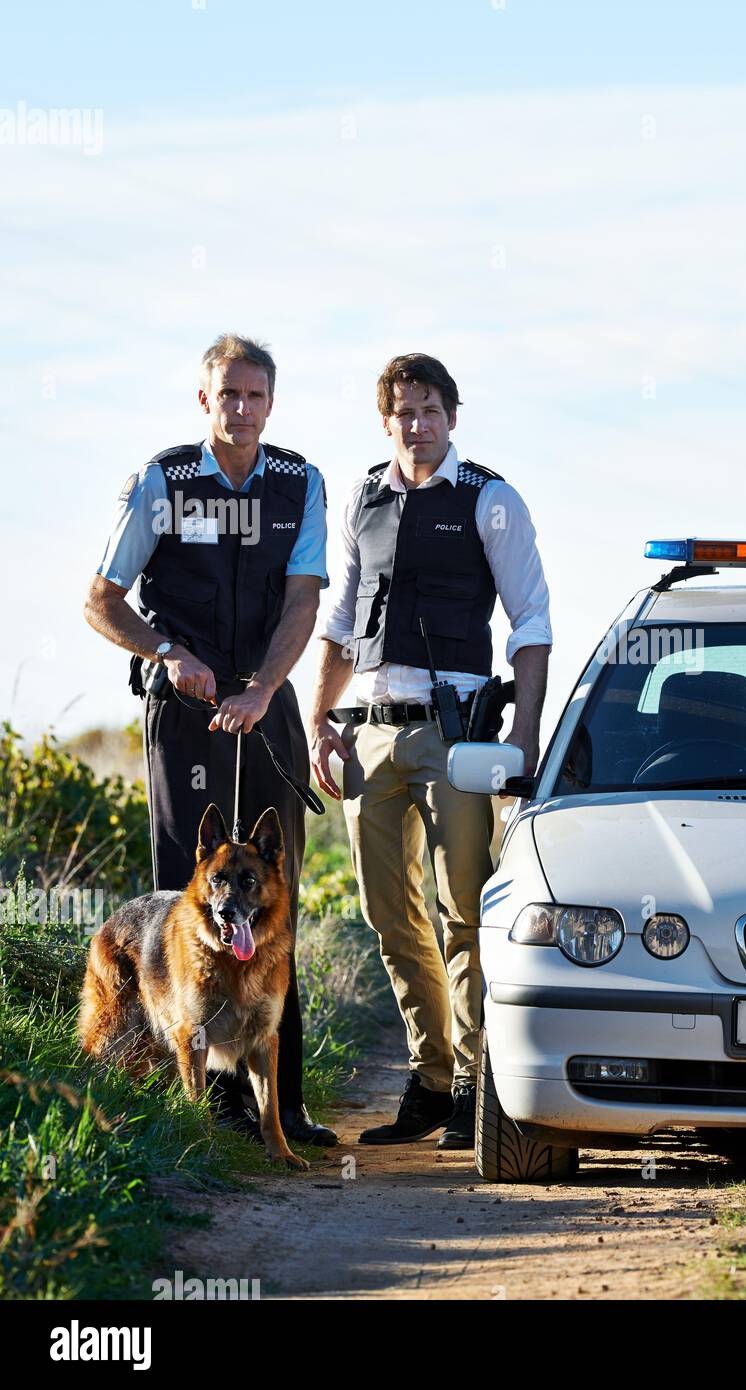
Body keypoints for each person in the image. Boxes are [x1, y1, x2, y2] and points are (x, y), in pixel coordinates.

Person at [84, 332, 336, 1148]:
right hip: (182, 710)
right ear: (204, 400)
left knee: (272, 901)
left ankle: (281, 1110)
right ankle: (204, 1114)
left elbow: (303, 599)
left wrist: (265, 684)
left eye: (254, 396)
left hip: (268, 707)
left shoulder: (301, 482)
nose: (241, 409)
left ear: (271, 401)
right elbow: (101, 599)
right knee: (189, 898)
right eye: (227, 394)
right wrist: (168, 654)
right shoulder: (161, 481)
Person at [307, 352, 551, 1149]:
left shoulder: (491, 499)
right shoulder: (362, 498)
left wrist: (525, 734)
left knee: (467, 908)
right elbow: (339, 623)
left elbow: (532, 622)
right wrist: (321, 721)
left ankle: (479, 1085)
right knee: (388, 912)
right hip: (369, 728)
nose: (416, 424)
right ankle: (430, 1078)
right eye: (402, 411)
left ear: (453, 414)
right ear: (386, 420)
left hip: (459, 733)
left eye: (429, 409)